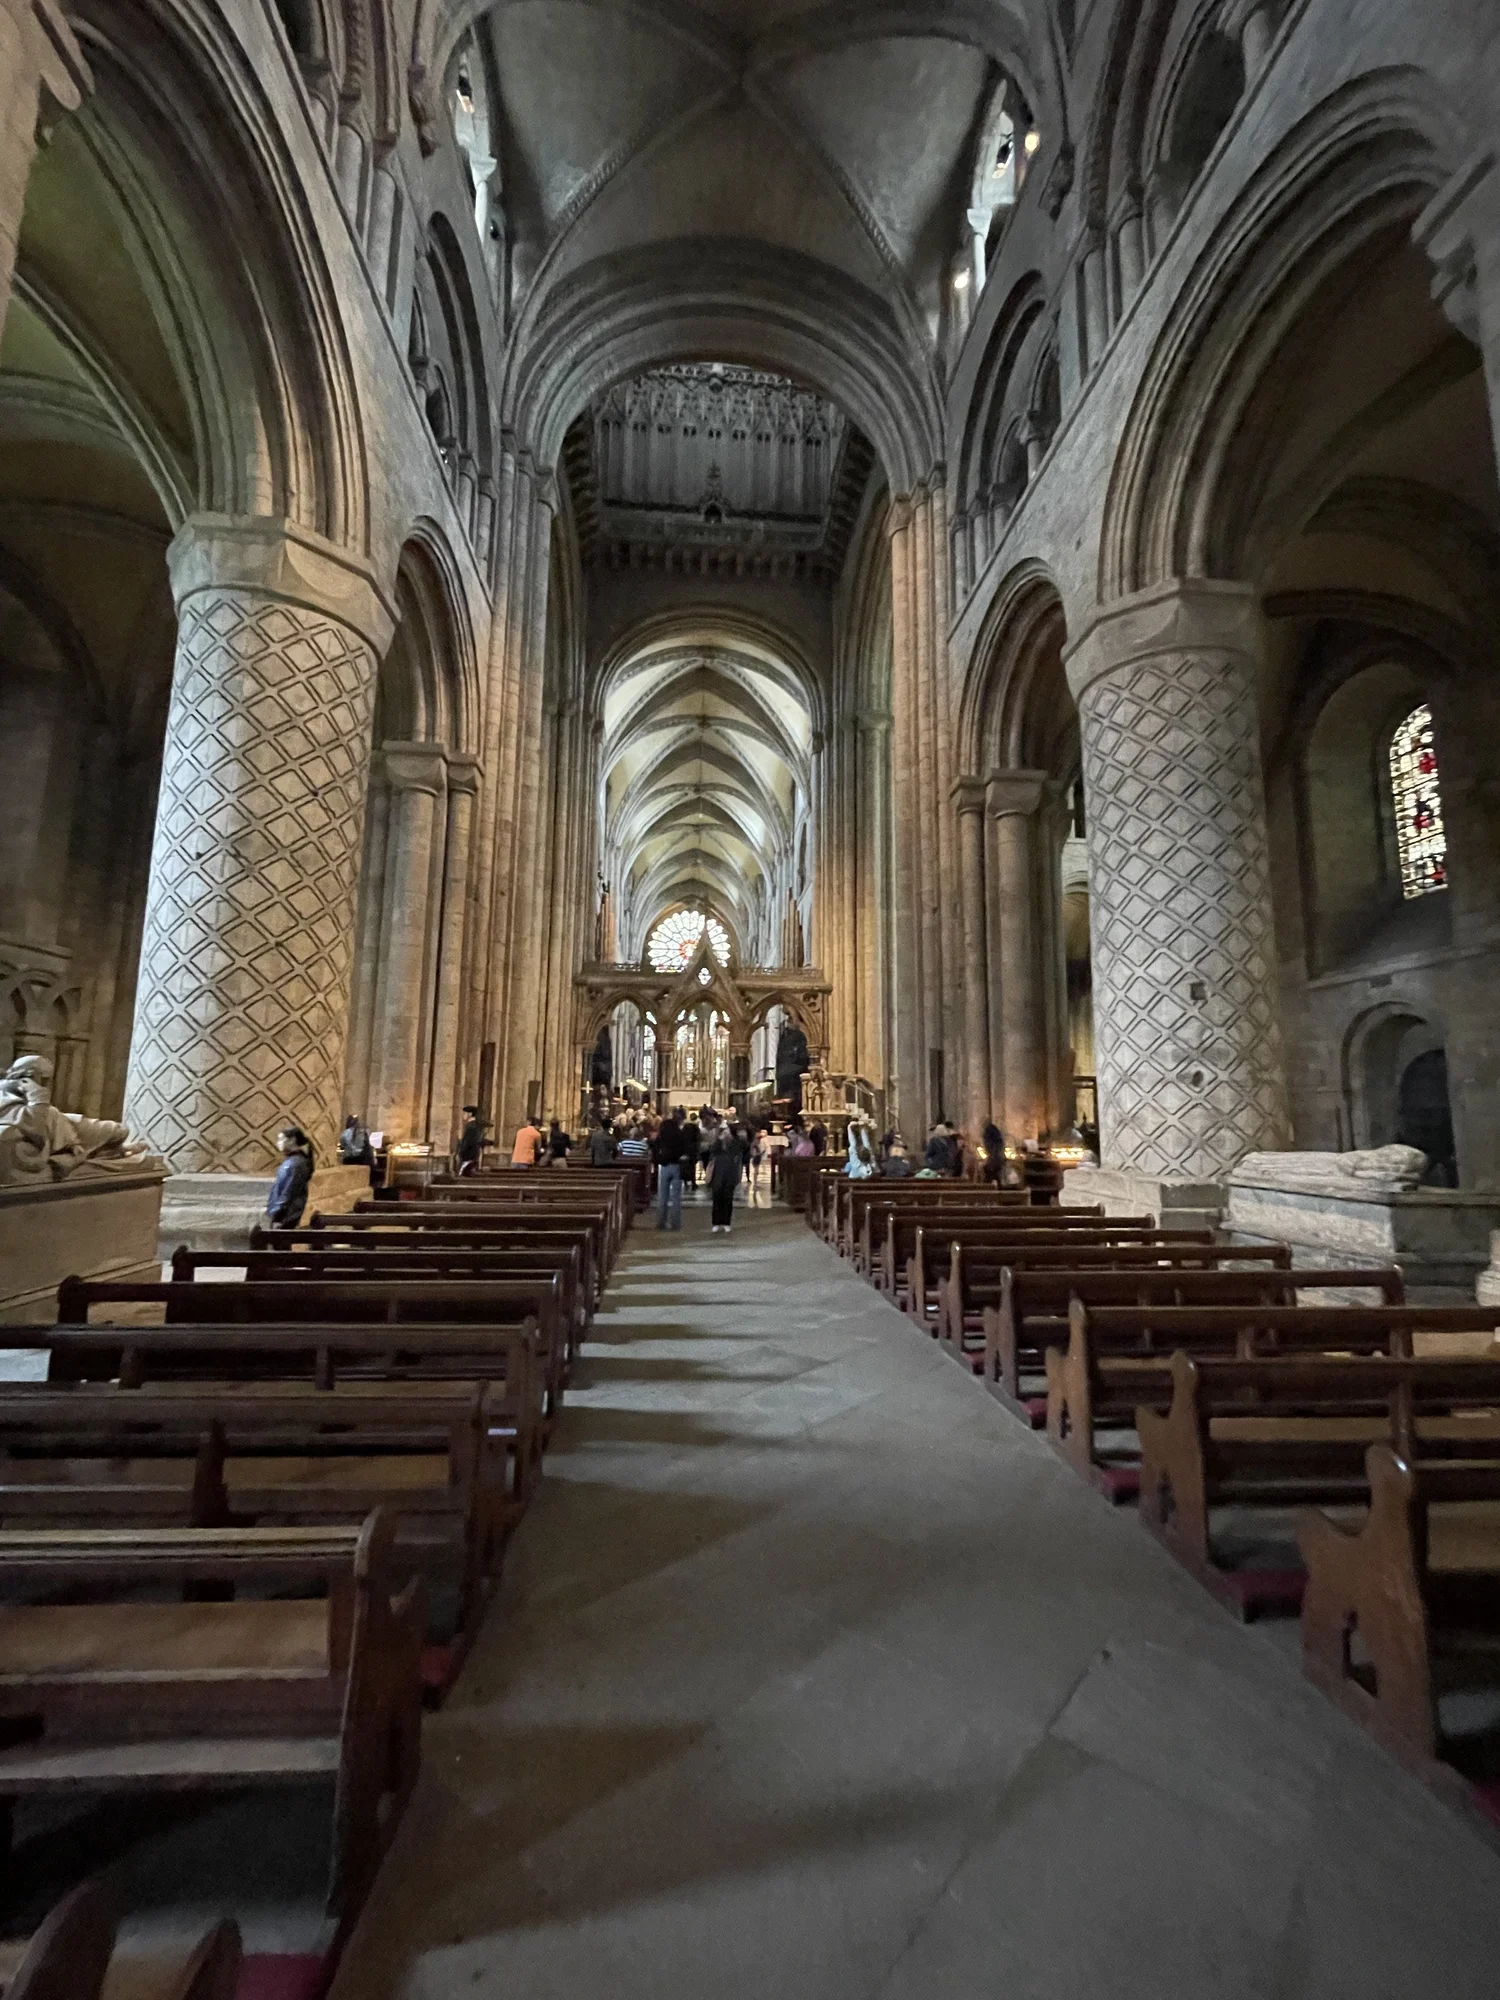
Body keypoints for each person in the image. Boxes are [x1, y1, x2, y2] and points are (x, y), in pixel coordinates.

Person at [266, 1126, 315, 1227]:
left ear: (292, 1140)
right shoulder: (292, 1161)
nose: (278, 1143)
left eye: (281, 1139)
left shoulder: (296, 1164)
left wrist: (278, 1214)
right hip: (283, 1214)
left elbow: (289, 1192)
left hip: (286, 1215)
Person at [653, 1106, 686, 1230]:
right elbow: (683, 1149)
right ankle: (675, 1224)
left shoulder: (663, 1135)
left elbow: (655, 1146)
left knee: (663, 1196)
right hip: (676, 1165)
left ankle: (661, 1222)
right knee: (676, 1197)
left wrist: (658, 1160)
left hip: (664, 1166)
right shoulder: (679, 1134)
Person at [707, 1126, 742, 1234]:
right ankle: (716, 1222)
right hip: (718, 1175)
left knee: (728, 1200)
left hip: (729, 1175)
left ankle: (727, 1222)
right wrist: (719, 1140)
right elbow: (711, 1151)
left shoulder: (734, 1145)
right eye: (724, 1132)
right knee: (717, 1199)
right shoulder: (717, 1146)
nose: (726, 1135)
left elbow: (740, 1151)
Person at [455, 1105, 485, 1176]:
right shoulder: (475, 1125)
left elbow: (468, 1142)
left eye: (465, 1113)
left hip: (468, 1156)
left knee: (464, 1175)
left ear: (470, 1114)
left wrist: (461, 1151)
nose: (463, 1115)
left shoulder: (471, 1126)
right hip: (472, 1156)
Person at [681, 1113, 701, 1189]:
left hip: (686, 1150)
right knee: (693, 1167)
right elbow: (698, 1139)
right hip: (693, 1150)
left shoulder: (684, 1129)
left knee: (685, 1166)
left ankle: (686, 1182)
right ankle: (693, 1183)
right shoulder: (695, 1128)